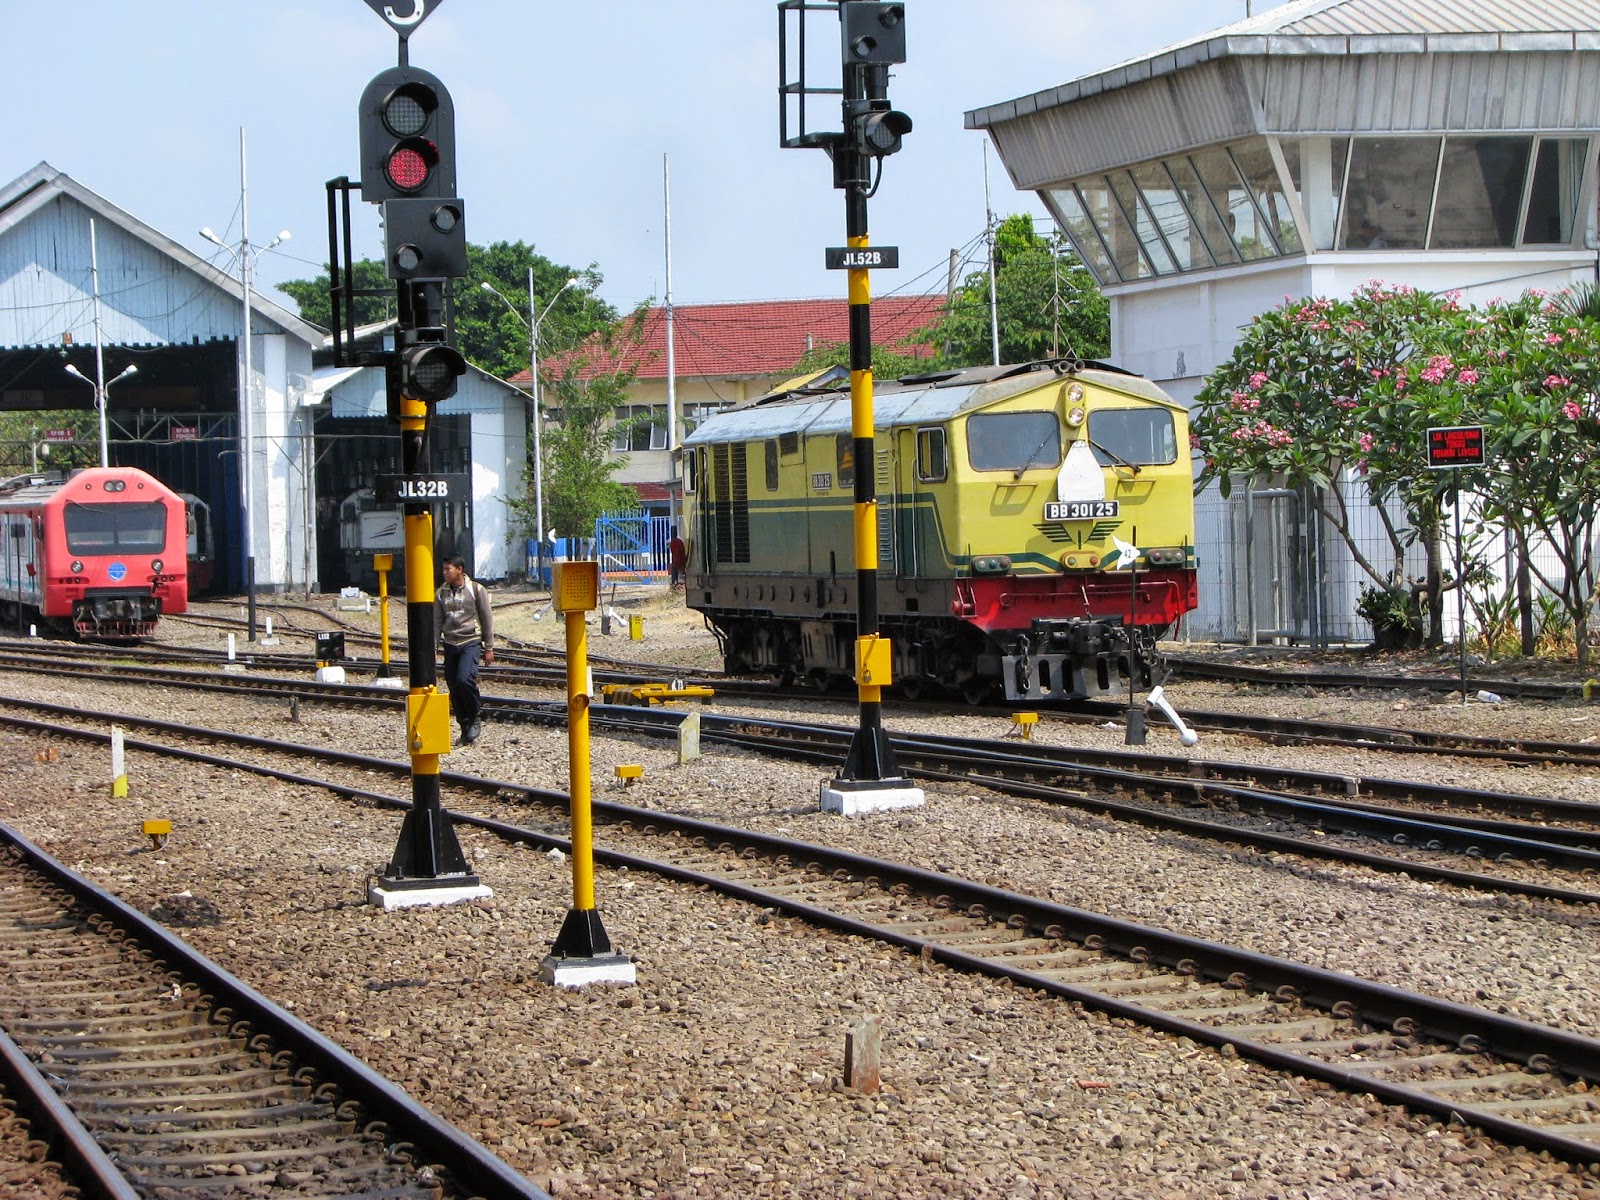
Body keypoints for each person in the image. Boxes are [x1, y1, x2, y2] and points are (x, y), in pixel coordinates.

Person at [435, 554, 494, 745]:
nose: (445, 573)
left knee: (464, 679)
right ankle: (465, 728)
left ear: (459, 569)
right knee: (453, 687)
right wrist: (433, 647)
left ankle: (475, 715)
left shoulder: (476, 589)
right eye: (444, 569)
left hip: (470, 641)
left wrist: (489, 647)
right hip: (450, 644)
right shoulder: (441, 593)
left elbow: (486, 618)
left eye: (448, 569)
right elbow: (437, 621)